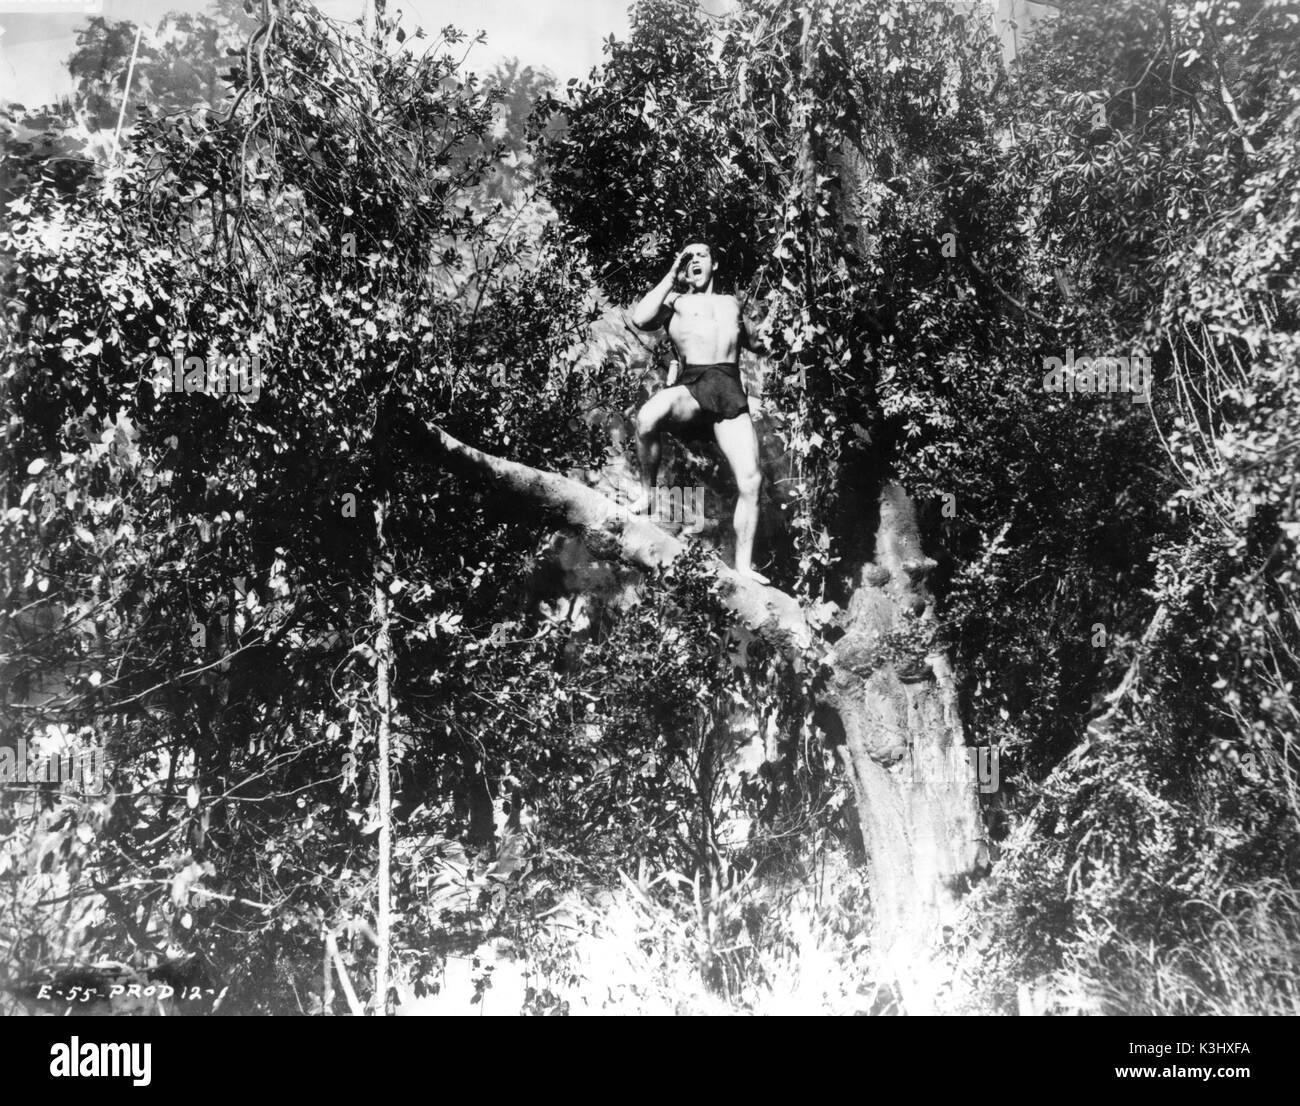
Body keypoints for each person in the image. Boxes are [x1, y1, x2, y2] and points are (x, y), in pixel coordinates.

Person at [629, 241, 768, 584]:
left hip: (729, 388)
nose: (694, 261)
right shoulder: (675, 301)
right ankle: (647, 494)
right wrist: (670, 275)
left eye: (701, 255)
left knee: (752, 480)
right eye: (687, 256)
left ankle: (744, 568)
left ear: (715, 265)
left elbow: (760, 346)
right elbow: (640, 318)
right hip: (693, 384)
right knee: (647, 418)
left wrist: (775, 323)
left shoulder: (732, 304)